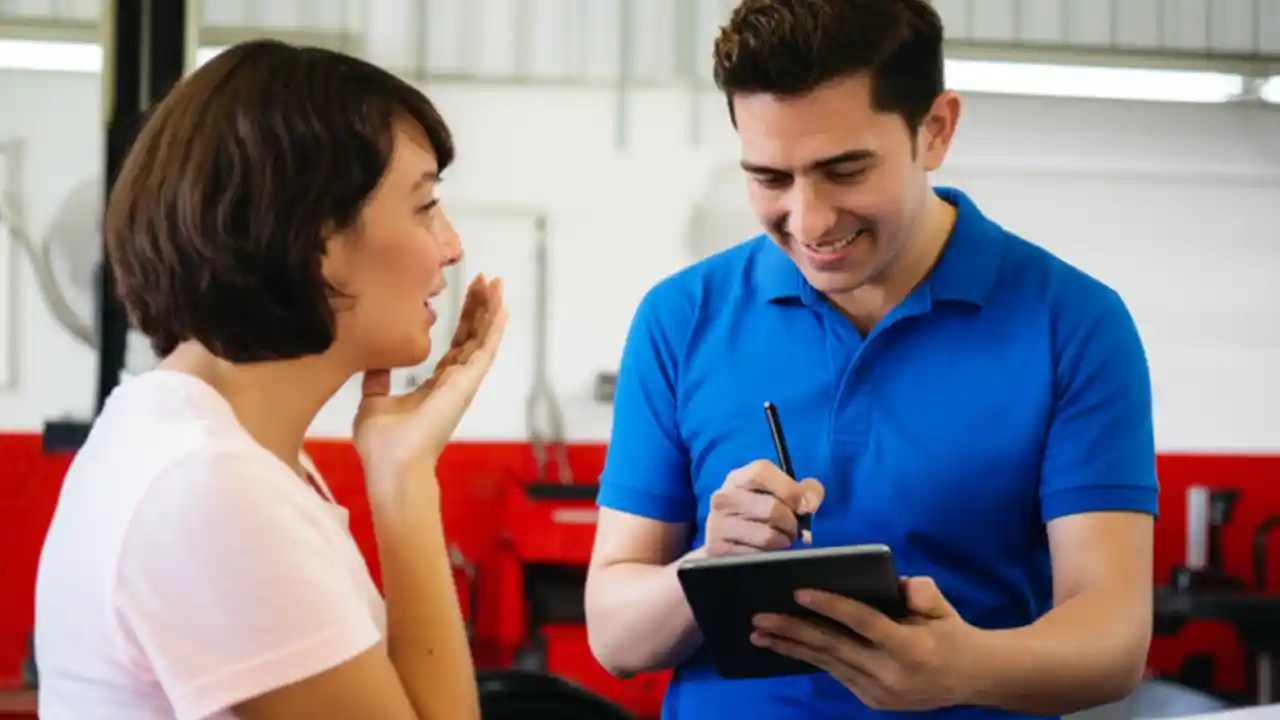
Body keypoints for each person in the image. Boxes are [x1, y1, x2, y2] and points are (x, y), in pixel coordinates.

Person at [584, 1, 1158, 718]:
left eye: (846, 170)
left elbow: (1111, 635)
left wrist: (963, 669)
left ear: (936, 130)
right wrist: (708, 566)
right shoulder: (681, 318)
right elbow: (614, 636)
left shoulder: (1071, 324)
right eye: (770, 178)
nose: (811, 220)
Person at [33, 40, 506, 720]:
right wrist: (405, 489)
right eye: (423, 205)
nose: (452, 245)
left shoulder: (197, 442)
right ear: (315, 238)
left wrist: (400, 468)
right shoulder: (209, 485)